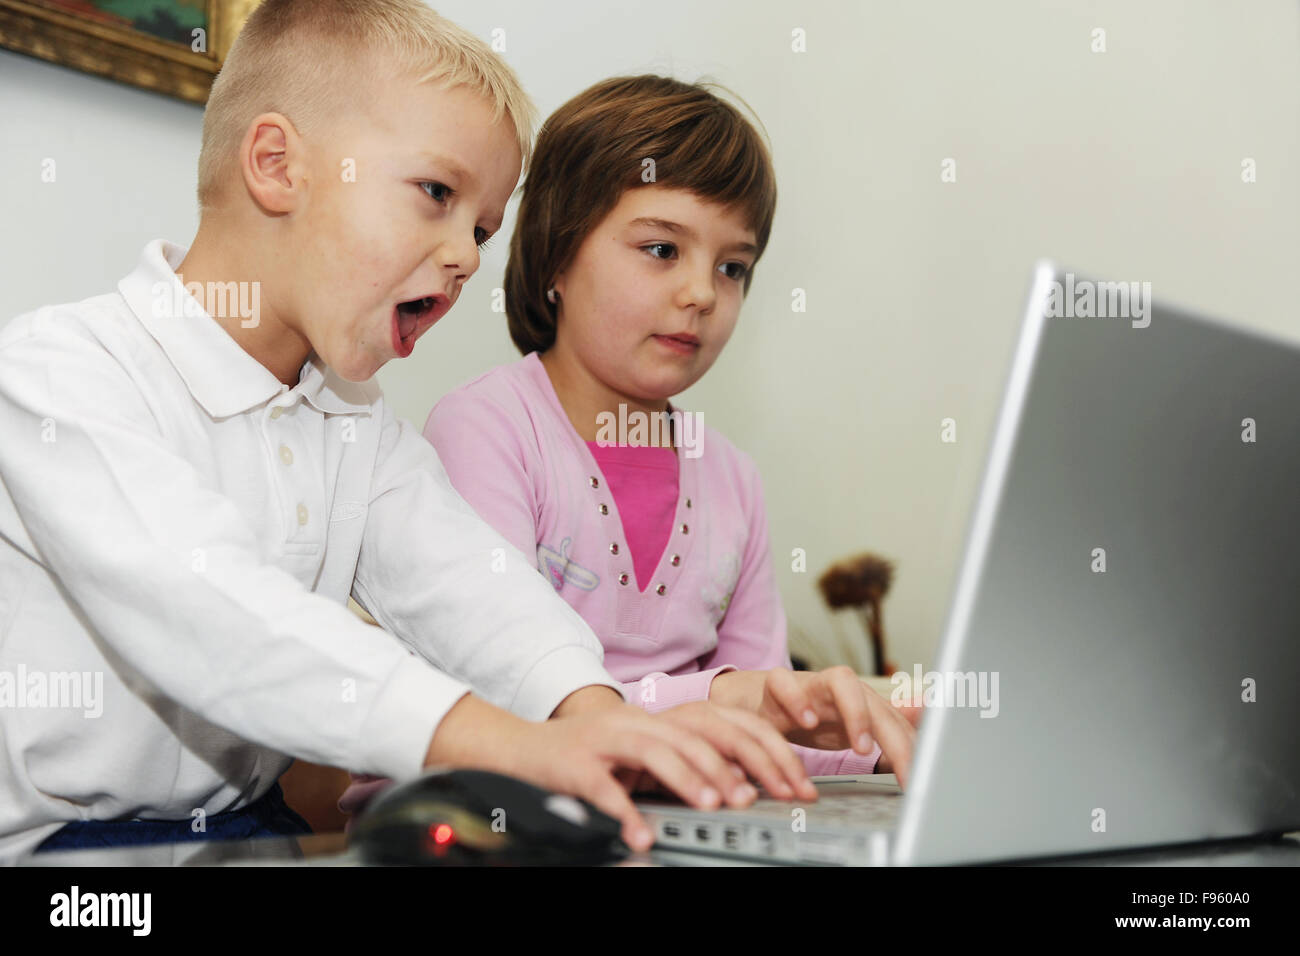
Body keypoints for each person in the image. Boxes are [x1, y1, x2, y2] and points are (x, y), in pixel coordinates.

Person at [0, 0, 818, 860]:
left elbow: (475, 591)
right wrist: (510, 744)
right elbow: (216, 617)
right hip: (56, 853)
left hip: (243, 833)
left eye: (482, 227)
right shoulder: (60, 374)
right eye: (436, 194)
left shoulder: (355, 423)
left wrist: (595, 717)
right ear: (277, 165)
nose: (466, 254)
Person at [339, 75, 917, 819]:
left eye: (732, 267)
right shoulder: (486, 429)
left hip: (661, 819)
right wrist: (721, 698)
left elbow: (768, 721)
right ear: (556, 257)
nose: (703, 292)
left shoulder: (733, 478)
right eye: (660, 249)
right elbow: (498, 696)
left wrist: (881, 734)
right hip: (474, 816)